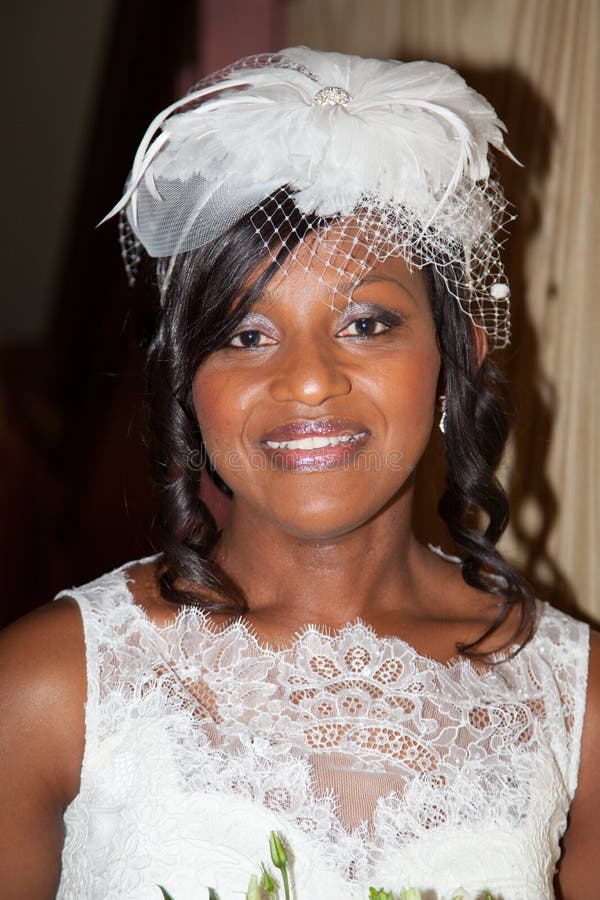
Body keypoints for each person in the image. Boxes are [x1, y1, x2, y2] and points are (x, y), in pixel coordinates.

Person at [0, 46, 598, 900]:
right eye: (246, 335)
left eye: (365, 322)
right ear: (186, 381)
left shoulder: (579, 711)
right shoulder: (44, 692)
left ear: (455, 359)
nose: (310, 379)